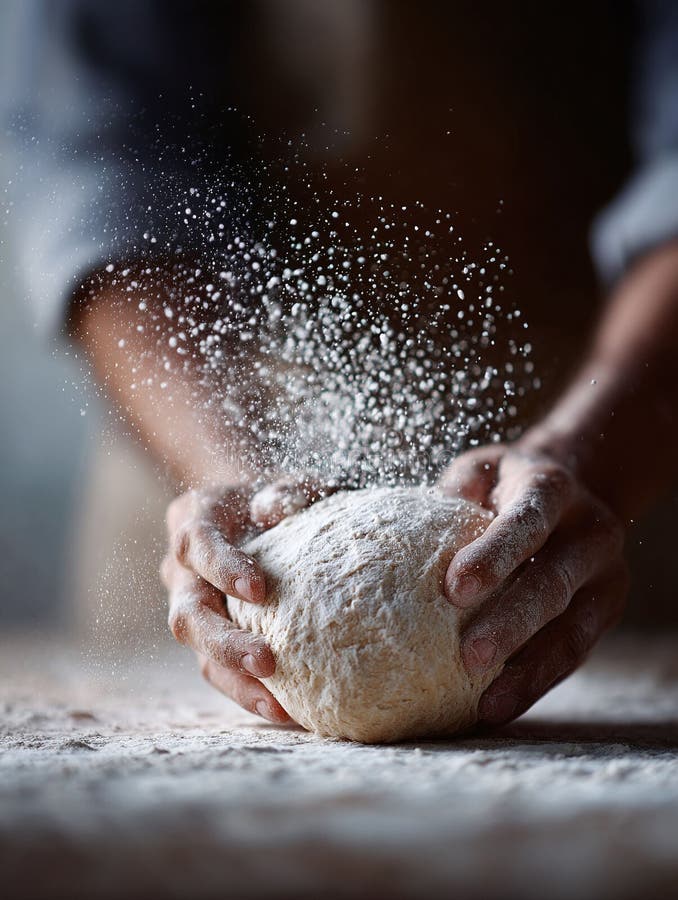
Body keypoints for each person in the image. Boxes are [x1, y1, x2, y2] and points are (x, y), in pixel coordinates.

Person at [3, 1, 678, 728]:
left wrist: (586, 450)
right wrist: (233, 481)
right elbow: (96, 159)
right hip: (205, 450)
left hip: (621, 442)